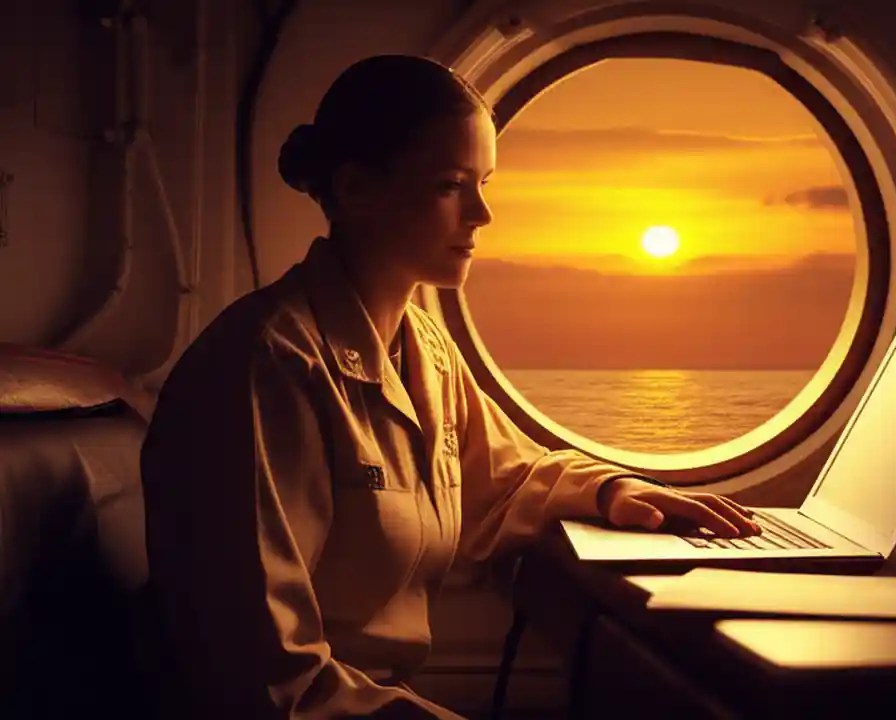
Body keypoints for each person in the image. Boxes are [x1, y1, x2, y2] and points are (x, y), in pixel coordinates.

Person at [139, 54, 760, 719]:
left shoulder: (423, 347)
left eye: (484, 182)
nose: (483, 213)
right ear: (355, 191)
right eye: (451, 185)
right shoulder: (267, 368)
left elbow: (505, 480)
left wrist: (612, 490)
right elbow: (268, 686)